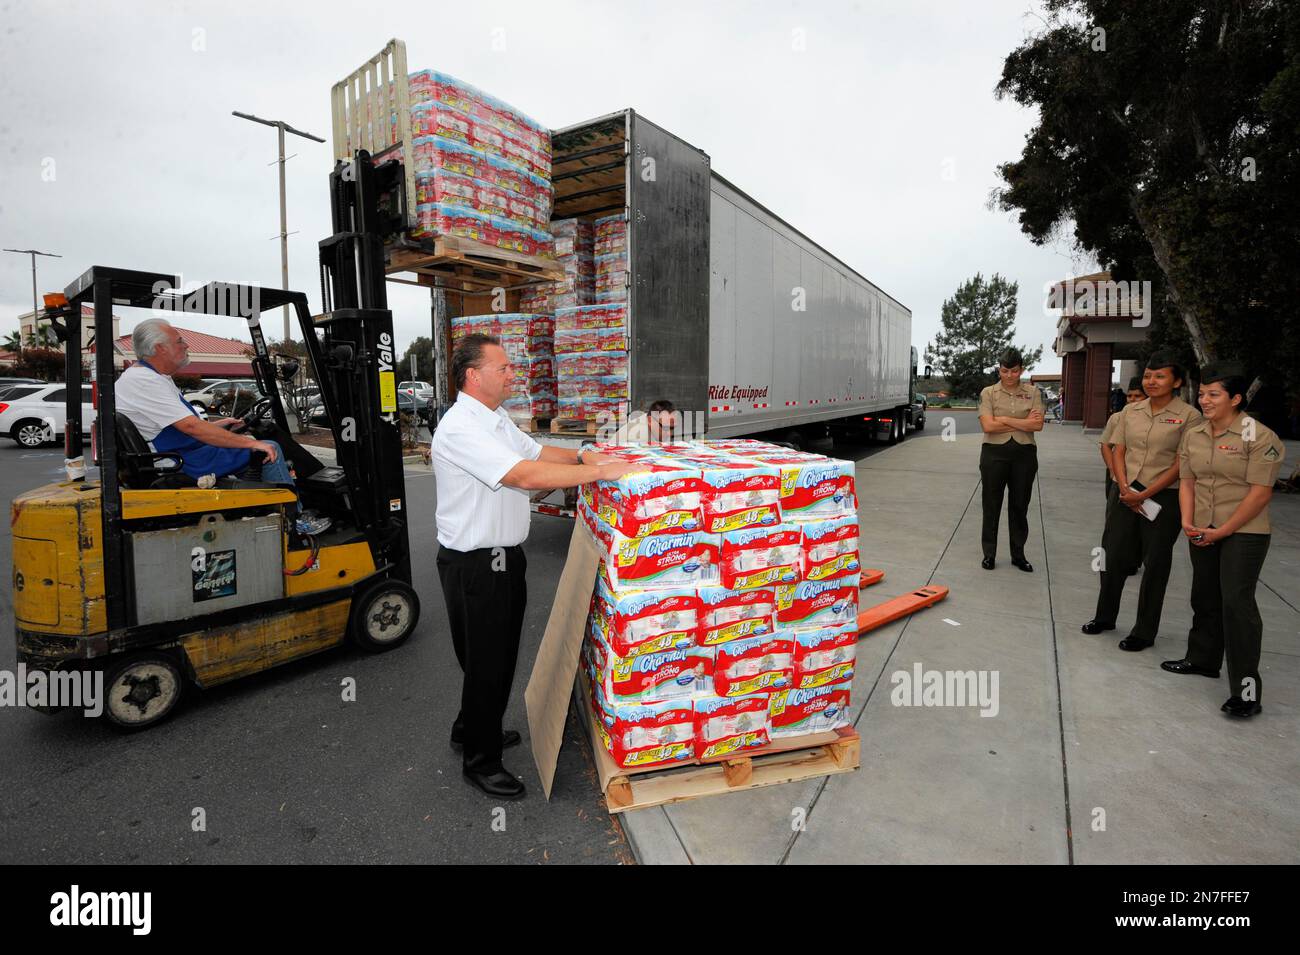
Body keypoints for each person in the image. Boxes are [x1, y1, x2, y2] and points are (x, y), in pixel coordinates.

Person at [431, 333, 640, 799]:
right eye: (503, 367)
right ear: (474, 375)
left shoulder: (494, 418)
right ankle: (480, 761)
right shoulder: (462, 427)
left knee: (492, 654)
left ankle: (472, 727)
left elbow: (536, 453)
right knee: (488, 660)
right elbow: (524, 475)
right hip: (476, 563)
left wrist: (585, 453)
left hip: (502, 558)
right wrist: (600, 473)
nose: (512, 374)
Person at [1161, 364, 1287, 718]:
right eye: (1202, 394)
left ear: (1235, 398)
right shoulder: (1194, 434)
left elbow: (1260, 494)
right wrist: (1187, 520)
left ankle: (1246, 692)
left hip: (1243, 532)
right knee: (1204, 596)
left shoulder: (1260, 437)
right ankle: (1202, 659)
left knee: (1237, 604)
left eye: (1213, 394)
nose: (1204, 400)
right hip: (1201, 526)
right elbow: (1187, 481)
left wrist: (1224, 529)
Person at [1081, 353, 1201, 651]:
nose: (1151, 382)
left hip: (1164, 497)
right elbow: (1118, 451)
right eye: (1148, 375)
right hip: (1126, 491)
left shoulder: (1189, 417)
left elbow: (1180, 463)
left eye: (1159, 376)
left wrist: (1144, 494)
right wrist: (1124, 487)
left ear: (1176, 382)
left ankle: (1144, 631)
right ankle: (1105, 616)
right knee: (1113, 556)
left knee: (1155, 564)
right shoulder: (1131, 412)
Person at [977, 349, 1044, 572]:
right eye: (1005, 371)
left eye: (1014, 371)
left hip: (1024, 455)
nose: (1009, 376)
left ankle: (1018, 554)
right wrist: (1021, 421)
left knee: (1019, 506)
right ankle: (989, 554)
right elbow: (988, 426)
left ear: (1021, 370)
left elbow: (1037, 425)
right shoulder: (989, 392)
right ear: (999, 369)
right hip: (994, 454)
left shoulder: (1033, 392)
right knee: (991, 504)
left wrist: (1003, 419)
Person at [1099, 377, 1147, 497]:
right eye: (1129, 396)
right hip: (1118, 471)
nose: (1132, 399)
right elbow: (1106, 445)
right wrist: (1112, 470)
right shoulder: (1117, 418)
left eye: (1138, 396)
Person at [613, 399, 677, 445]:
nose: (670, 434)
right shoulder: (638, 437)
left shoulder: (649, 419)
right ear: (650, 420)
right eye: (665, 428)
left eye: (672, 428)